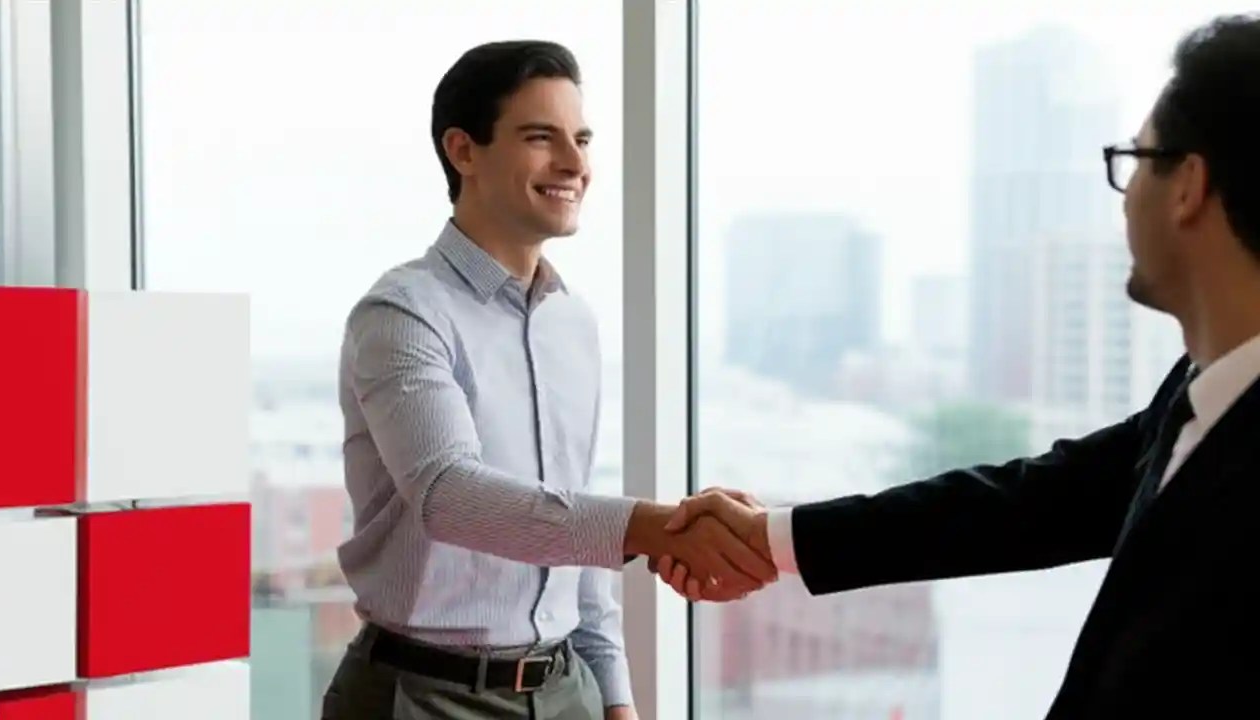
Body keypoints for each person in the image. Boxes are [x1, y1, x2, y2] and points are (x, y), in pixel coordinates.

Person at [656, 13, 1260, 719]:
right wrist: (773, 538)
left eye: (1134, 160)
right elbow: (1028, 504)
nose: (1125, 197)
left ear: (1188, 184)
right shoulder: (1194, 396)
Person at [322, 40, 775, 720]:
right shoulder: (403, 315)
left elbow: (570, 525)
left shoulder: (573, 324)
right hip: (422, 697)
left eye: (582, 139)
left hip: (567, 692)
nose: (575, 165)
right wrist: (654, 527)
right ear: (463, 150)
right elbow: (450, 495)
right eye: (541, 137)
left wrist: (615, 696)